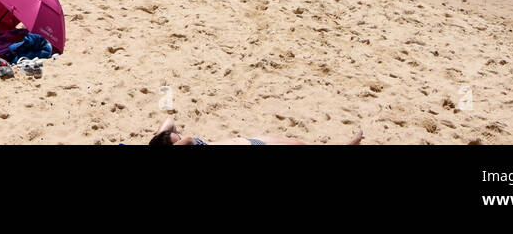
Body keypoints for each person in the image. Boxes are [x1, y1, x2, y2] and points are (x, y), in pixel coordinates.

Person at [149, 116, 362, 146]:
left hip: (250, 141)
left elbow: (169, 121)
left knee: (298, 143)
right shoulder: (186, 143)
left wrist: (159, 138)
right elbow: (183, 137)